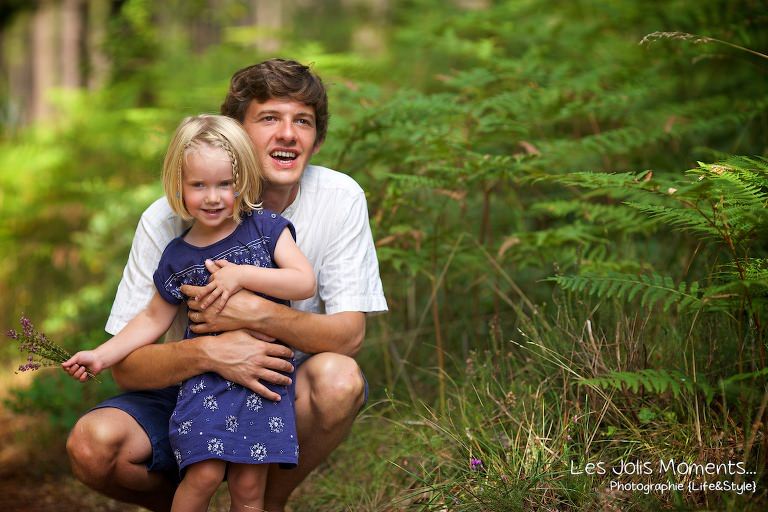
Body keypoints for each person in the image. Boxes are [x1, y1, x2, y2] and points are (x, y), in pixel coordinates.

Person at [65, 58, 387, 512]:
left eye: (303, 121)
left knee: (339, 379)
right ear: (234, 134)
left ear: (317, 137)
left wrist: (258, 311)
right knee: (92, 445)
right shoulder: (168, 224)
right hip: (189, 390)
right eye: (269, 118)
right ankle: (188, 499)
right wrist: (211, 353)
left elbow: (348, 336)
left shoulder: (337, 199)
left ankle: (267, 502)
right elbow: (131, 363)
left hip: (276, 386)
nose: (288, 134)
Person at [63, 114, 316, 511]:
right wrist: (101, 355)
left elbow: (303, 282)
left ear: (243, 181)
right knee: (203, 476)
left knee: (249, 487)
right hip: (205, 388)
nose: (213, 197)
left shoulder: (266, 229)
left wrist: (242, 275)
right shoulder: (177, 256)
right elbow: (152, 318)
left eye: (225, 184)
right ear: (179, 186)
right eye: (199, 185)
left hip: (264, 382)